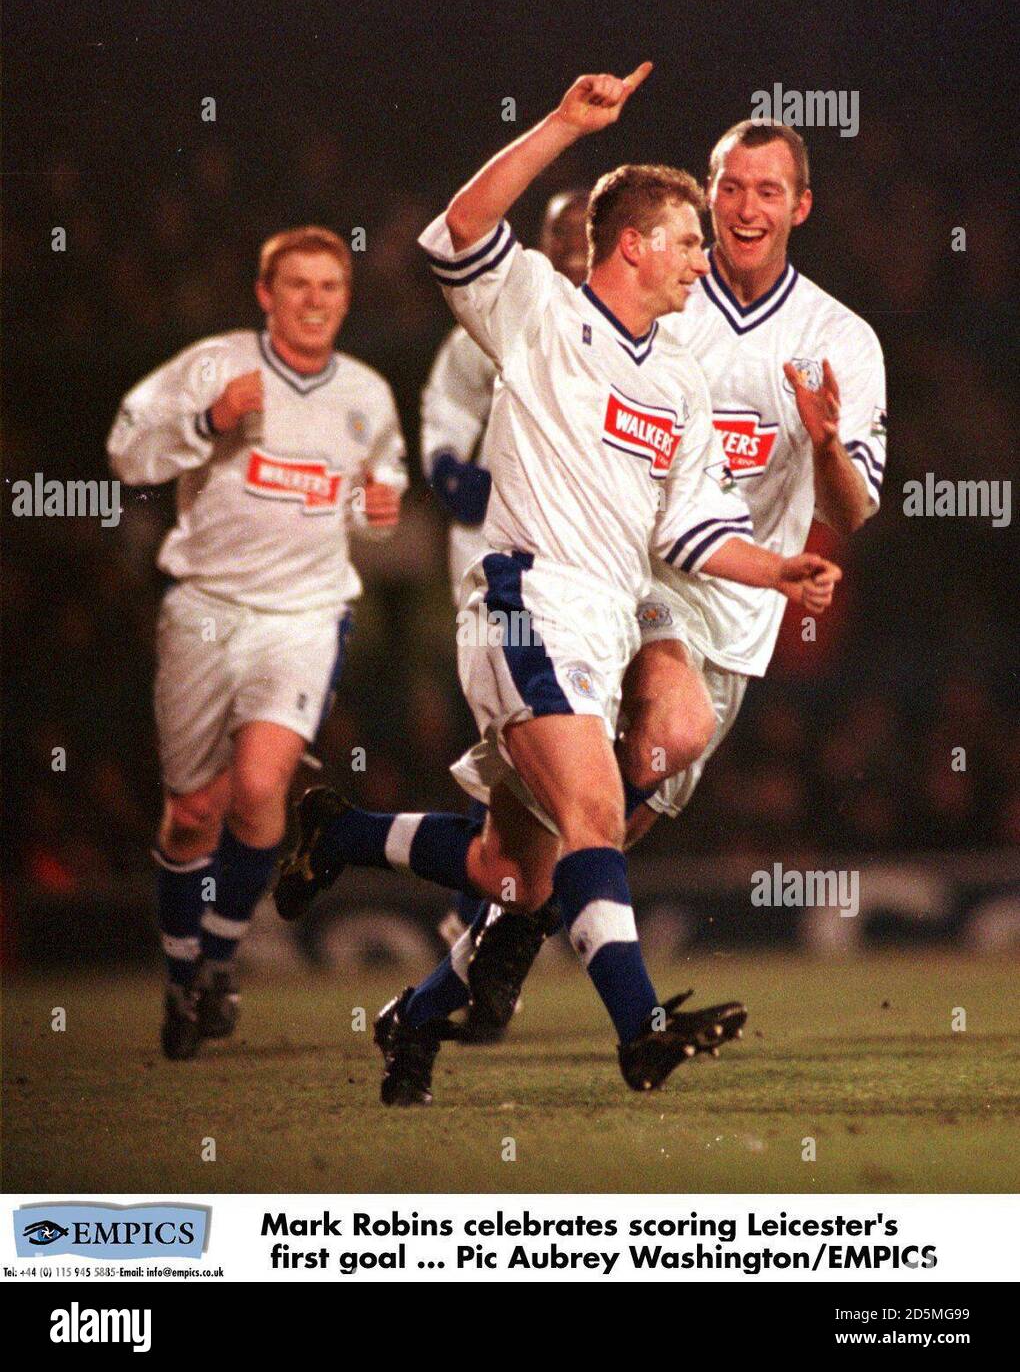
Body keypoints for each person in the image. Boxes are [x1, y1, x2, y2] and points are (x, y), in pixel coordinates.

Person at [275, 66, 840, 1105]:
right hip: (525, 605)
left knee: (516, 874)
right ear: (631, 245)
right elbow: (457, 232)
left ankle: (366, 891)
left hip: (606, 626)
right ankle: (642, 1029)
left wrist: (782, 568)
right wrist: (564, 127)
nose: (703, 258)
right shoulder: (539, 310)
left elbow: (693, 528)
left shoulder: (678, 379)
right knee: (595, 811)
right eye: (686, 241)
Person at [466, 118, 887, 1032]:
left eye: (768, 191)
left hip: (735, 605)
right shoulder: (664, 295)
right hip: (634, 581)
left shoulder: (839, 339)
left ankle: (429, 940)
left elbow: (851, 510)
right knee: (650, 751)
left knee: (579, 831)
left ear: (800, 206)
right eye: (730, 187)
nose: (745, 208)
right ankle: (626, 1021)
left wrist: (823, 446)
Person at [107, 226, 406, 1059]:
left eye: (330, 286)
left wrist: (377, 511)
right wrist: (208, 419)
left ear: (346, 298)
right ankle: (180, 979)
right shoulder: (215, 365)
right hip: (204, 610)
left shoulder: (368, 393)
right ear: (265, 294)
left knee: (258, 788)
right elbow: (126, 452)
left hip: (304, 616)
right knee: (191, 815)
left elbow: (377, 489)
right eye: (298, 284)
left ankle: (219, 962)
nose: (315, 300)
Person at [419, 190, 589, 1033]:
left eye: (589, 235)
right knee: (532, 769)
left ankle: (363, 845)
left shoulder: (651, 341)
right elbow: (446, 445)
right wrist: (479, 478)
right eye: (563, 235)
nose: (576, 249)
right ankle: (486, 943)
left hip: (600, 590)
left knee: (559, 784)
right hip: (507, 582)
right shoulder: (494, 328)